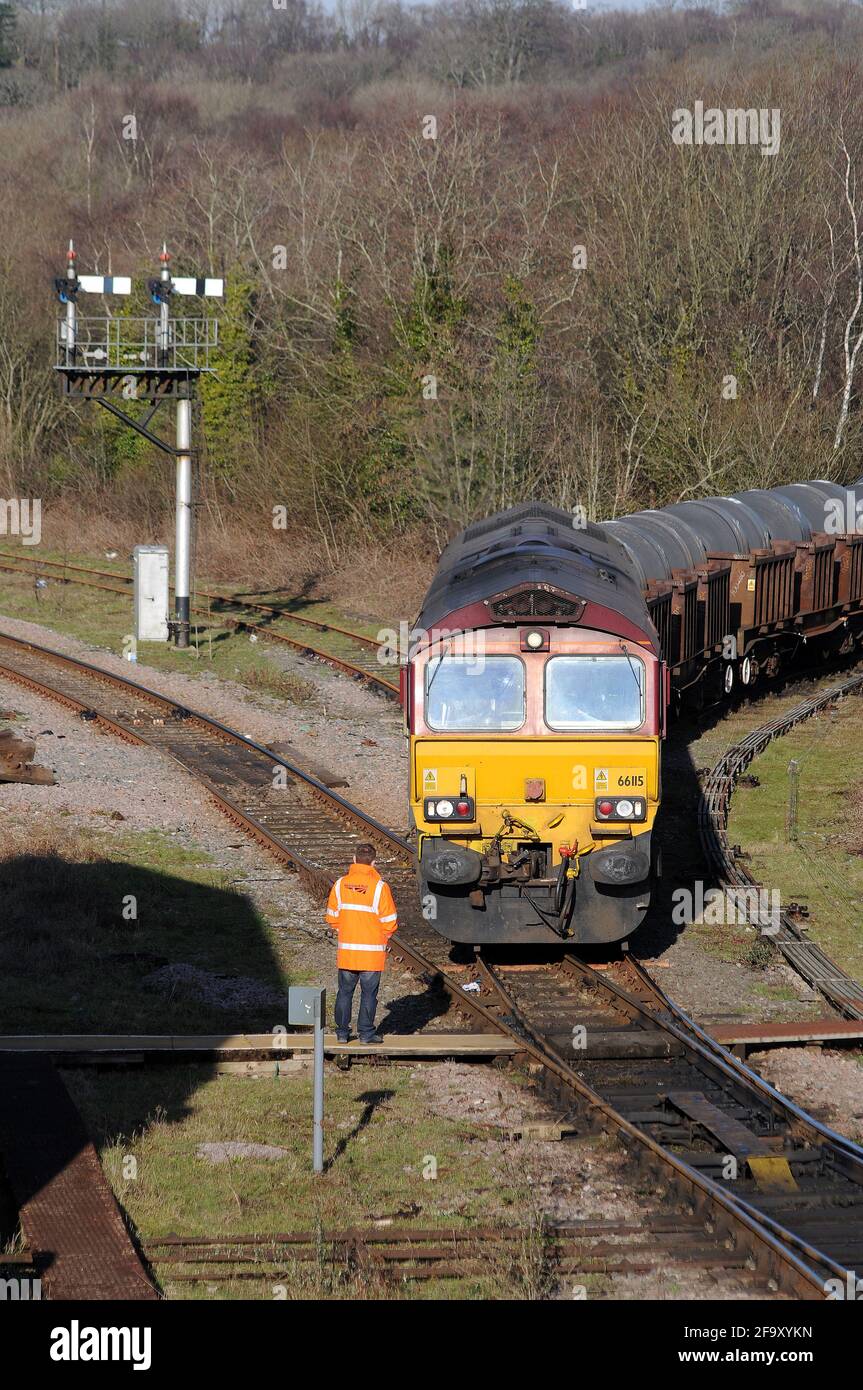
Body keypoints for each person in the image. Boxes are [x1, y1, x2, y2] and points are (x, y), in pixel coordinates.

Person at [325, 843, 398, 1043]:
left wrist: (345, 931)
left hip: (347, 952)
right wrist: (381, 937)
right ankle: (366, 1034)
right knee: (368, 995)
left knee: (344, 993)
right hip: (371, 954)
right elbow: (390, 922)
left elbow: (332, 917)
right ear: (374, 863)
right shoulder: (380, 888)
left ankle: (341, 1033)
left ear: (354, 859)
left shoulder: (340, 884)